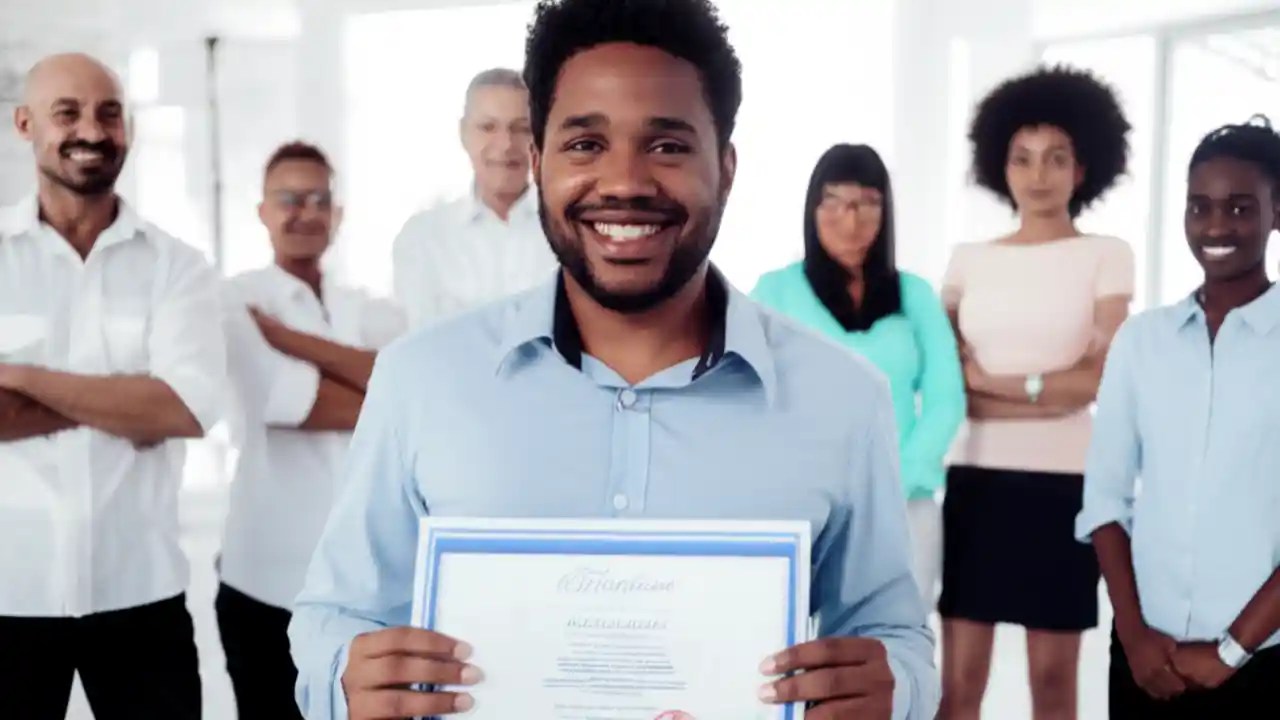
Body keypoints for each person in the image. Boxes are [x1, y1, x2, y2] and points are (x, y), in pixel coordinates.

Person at [289, 1, 939, 719]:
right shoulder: (422, 379)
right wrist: (343, 677)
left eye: (666, 146)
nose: (625, 181)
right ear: (537, 164)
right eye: (584, 145)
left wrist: (897, 687)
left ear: (725, 169)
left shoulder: (842, 397)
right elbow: (332, 618)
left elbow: (894, 636)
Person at [0, 53, 225, 719]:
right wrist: (128, 402)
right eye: (67, 112)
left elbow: (185, 407)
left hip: (141, 596)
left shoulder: (178, 267)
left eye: (109, 113)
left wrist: (20, 376)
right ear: (25, 124)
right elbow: (156, 403)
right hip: (9, 593)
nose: (92, 131)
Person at [937, 65, 1134, 720]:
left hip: (1064, 486)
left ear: (1084, 168)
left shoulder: (1107, 254)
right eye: (1021, 158)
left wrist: (991, 384)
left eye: (1056, 158)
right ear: (1001, 166)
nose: (1038, 174)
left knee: (1053, 682)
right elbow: (946, 381)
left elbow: (1099, 382)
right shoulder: (968, 259)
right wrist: (1050, 387)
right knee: (959, 680)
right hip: (975, 479)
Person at [1078, 116, 1280, 718]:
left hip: (1261, 662)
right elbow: (1105, 500)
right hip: (1145, 661)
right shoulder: (1141, 342)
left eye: (1241, 208)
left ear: (1276, 211)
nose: (1217, 226)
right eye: (1200, 207)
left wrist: (1230, 651)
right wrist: (1135, 638)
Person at [216, 142, 406, 719]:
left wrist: (291, 340)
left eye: (319, 199)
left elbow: (409, 391)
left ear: (338, 214)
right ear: (262, 212)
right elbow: (294, 402)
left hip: (365, 584)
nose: (305, 211)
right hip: (267, 579)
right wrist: (368, 379)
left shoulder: (367, 306)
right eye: (289, 198)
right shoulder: (233, 301)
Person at [751, 143, 964, 605]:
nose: (852, 221)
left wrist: (894, 480)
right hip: (805, 500)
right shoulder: (776, 291)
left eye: (868, 203)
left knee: (897, 643)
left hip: (904, 503)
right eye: (836, 202)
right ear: (813, 208)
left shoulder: (915, 294)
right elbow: (754, 396)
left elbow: (946, 398)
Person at [391, 67, 558, 329]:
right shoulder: (423, 236)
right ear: (463, 133)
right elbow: (421, 343)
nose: (505, 144)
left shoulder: (567, 228)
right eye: (488, 127)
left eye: (521, 128)